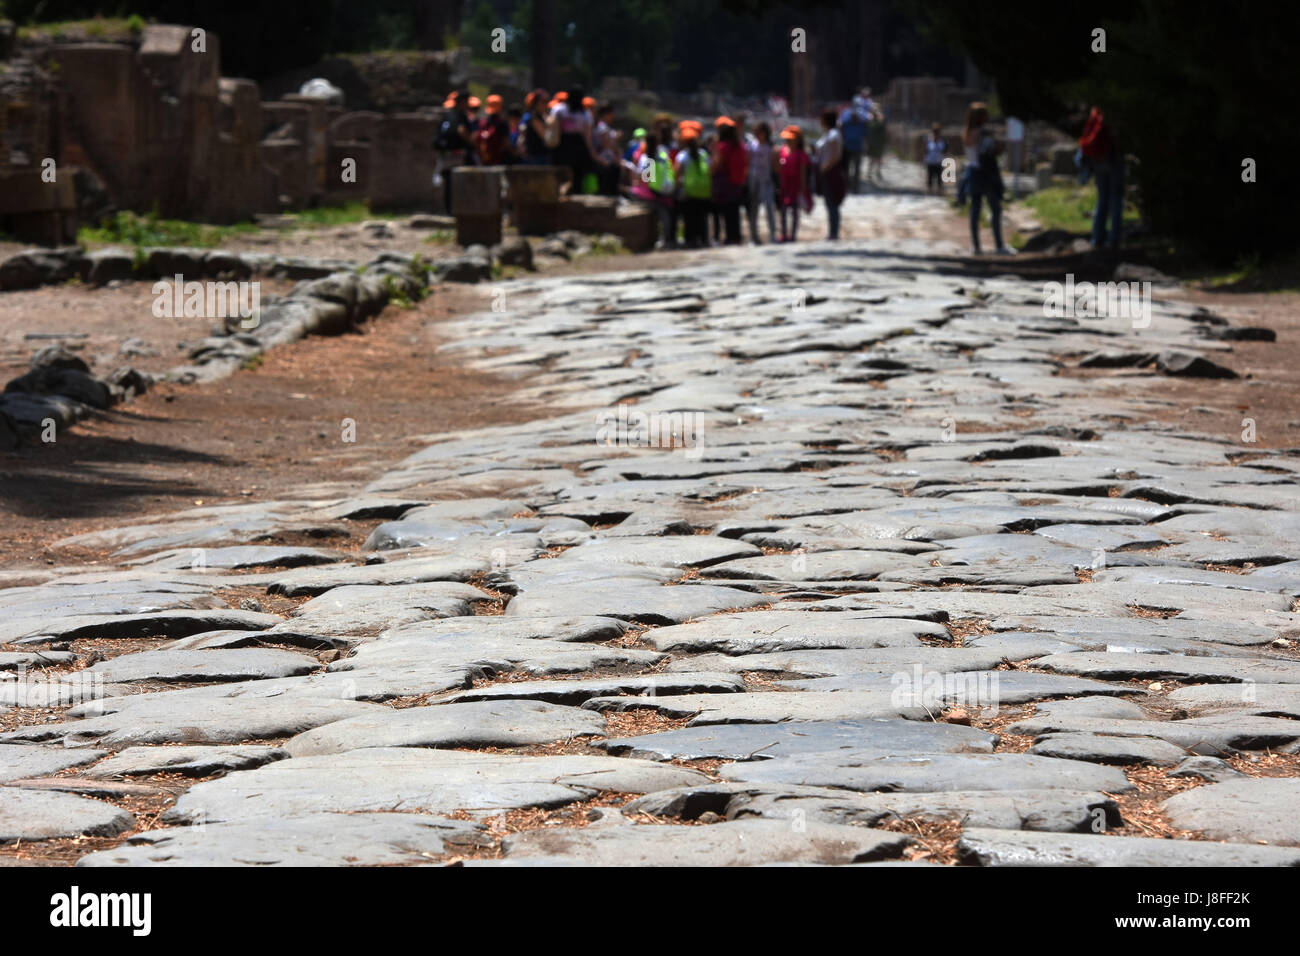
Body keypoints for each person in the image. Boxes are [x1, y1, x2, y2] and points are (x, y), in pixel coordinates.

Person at [963, 101, 1012, 255]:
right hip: (986, 175)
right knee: (995, 209)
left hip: (973, 173)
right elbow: (988, 154)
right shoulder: (982, 133)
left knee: (975, 212)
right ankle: (999, 245)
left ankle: (977, 247)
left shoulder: (966, 133)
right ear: (981, 117)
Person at [1079, 106, 1124, 250]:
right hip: (1113, 159)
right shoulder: (1114, 113)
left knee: (1102, 199)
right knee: (1116, 199)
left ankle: (1097, 238)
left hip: (1098, 161)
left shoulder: (1096, 112)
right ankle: (1114, 239)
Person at [550, 86, 602, 193]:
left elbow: (552, 125)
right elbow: (587, 136)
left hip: (562, 145)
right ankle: (575, 193)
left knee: (560, 172)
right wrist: (591, 152)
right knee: (577, 174)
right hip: (578, 145)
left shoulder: (559, 109)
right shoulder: (585, 113)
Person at [434, 90, 473, 213]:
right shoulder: (460, 116)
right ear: (462, 102)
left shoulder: (448, 115)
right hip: (458, 156)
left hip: (446, 157)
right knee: (461, 184)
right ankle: (460, 210)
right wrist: (472, 143)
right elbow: (462, 132)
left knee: (449, 185)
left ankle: (449, 210)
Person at [711, 117, 747, 245]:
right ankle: (736, 237)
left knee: (726, 212)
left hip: (725, 183)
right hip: (737, 183)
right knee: (734, 212)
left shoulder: (723, 146)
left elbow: (717, 164)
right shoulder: (740, 145)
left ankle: (729, 237)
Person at [675, 128, 712, 248]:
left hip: (689, 191)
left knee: (689, 218)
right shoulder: (703, 154)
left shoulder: (682, 156)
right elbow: (710, 170)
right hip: (703, 190)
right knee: (702, 217)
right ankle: (704, 239)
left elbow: (677, 174)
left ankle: (690, 241)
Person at [815, 108, 846, 240]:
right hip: (826, 171)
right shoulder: (829, 134)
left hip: (830, 171)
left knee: (832, 203)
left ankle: (834, 233)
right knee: (829, 204)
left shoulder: (833, 135)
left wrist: (824, 168)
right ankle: (832, 232)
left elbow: (835, 156)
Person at [745, 121, 778, 244]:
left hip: (767, 181)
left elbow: (775, 166)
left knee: (769, 207)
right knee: (754, 209)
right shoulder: (752, 145)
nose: (756, 134)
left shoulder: (771, 147)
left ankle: (773, 235)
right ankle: (753, 236)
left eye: (758, 132)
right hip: (754, 181)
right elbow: (747, 162)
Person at [777, 125, 810, 242]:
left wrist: (803, 188)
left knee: (795, 211)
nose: (788, 141)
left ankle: (793, 235)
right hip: (784, 184)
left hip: (795, 185)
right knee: (783, 210)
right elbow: (778, 168)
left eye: (791, 139)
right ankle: (784, 234)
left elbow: (803, 172)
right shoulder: (783, 150)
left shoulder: (802, 155)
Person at [839, 96, 869, 194]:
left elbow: (865, 133)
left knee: (855, 169)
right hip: (848, 146)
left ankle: (855, 188)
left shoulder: (861, 119)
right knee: (847, 169)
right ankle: (847, 187)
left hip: (856, 147)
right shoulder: (847, 117)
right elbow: (841, 129)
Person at [519, 89, 556, 166]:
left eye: (547, 101)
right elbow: (544, 136)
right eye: (543, 101)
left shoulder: (542, 116)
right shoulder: (533, 117)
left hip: (541, 155)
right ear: (536, 103)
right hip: (536, 157)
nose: (546, 104)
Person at [474, 94, 510, 166]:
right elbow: (506, 143)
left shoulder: (482, 123)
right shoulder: (502, 123)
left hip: (485, 160)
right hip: (499, 160)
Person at [864, 105, 886, 185]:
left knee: (879, 158)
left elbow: (882, 128)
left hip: (879, 143)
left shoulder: (881, 120)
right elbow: (869, 129)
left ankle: (877, 172)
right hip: (872, 142)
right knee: (872, 158)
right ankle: (870, 172)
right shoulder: (870, 120)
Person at [924, 123, 946, 195]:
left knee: (939, 178)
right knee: (930, 177)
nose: (936, 133)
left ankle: (940, 191)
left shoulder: (942, 141)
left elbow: (945, 150)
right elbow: (926, 151)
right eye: (935, 131)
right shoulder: (929, 140)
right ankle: (930, 191)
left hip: (938, 161)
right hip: (930, 161)